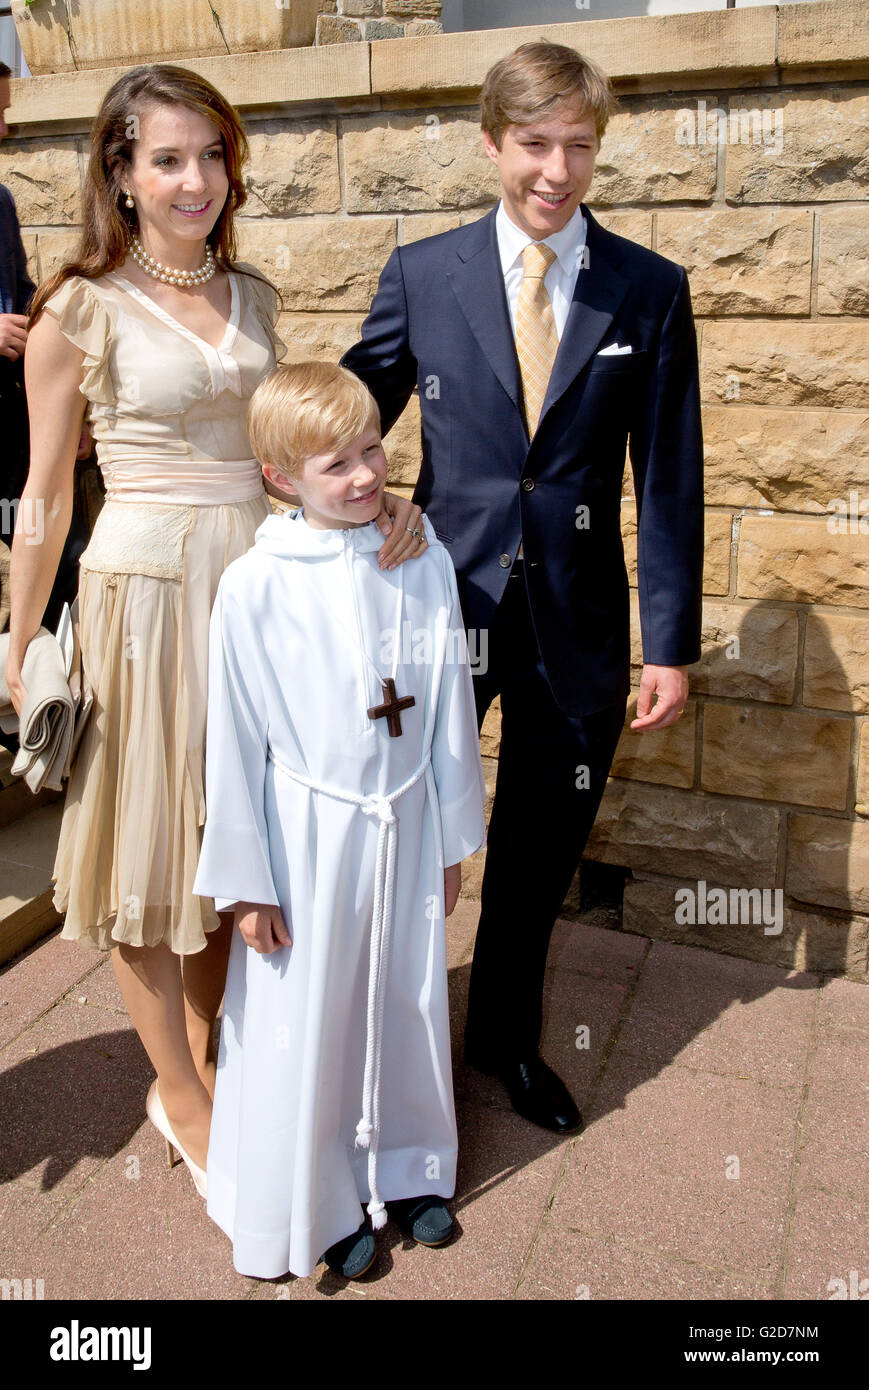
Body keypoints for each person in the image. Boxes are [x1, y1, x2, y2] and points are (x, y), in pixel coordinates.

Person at [5, 65, 426, 1196]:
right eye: (168, 159)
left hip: (263, 585)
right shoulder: (73, 309)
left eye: (212, 155)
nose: (197, 180)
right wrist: (16, 638)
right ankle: (181, 1092)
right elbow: (45, 490)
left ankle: (214, 1047)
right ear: (122, 174)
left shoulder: (256, 294)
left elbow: (286, 453)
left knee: (243, 834)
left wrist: (376, 495)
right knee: (152, 847)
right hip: (143, 598)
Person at [342, 41, 704, 1135]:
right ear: (490, 141)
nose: (555, 170)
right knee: (402, 835)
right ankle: (380, 1045)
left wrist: (668, 643)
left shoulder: (646, 289)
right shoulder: (423, 272)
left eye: (578, 146)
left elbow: (671, 473)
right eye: (534, 144)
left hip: (579, 628)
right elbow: (351, 411)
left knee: (538, 848)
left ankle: (502, 1036)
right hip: (438, 609)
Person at [192, 361, 486, 1279]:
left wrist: (448, 832)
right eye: (337, 465)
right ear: (280, 478)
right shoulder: (254, 586)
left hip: (401, 824)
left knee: (405, 993)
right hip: (307, 836)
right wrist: (246, 883)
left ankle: (406, 1166)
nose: (365, 477)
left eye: (372, 451)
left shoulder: (419, 557)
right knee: (306, 1013)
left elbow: (445, 704)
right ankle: (316, 1200)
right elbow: (233, 740)